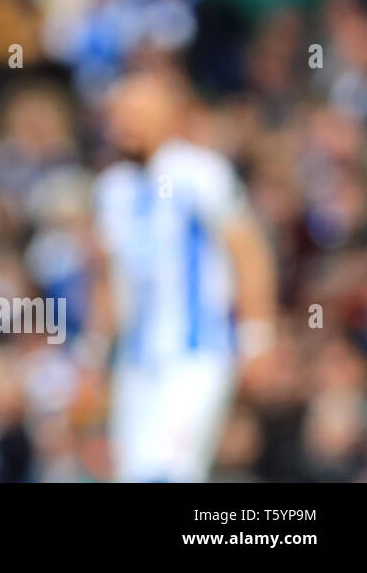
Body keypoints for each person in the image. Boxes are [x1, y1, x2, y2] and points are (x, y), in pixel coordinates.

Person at [90, 68, 278, 482]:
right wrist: (93, 355)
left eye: (137, 111)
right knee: (134, 472)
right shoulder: (111, 190)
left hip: (196, 352)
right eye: (119, 112)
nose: (124, 121)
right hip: (135, 360)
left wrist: (257, 336)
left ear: (170, 114)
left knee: (169, 470)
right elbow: (107, 281)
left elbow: (247, 251)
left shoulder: (200, 172)